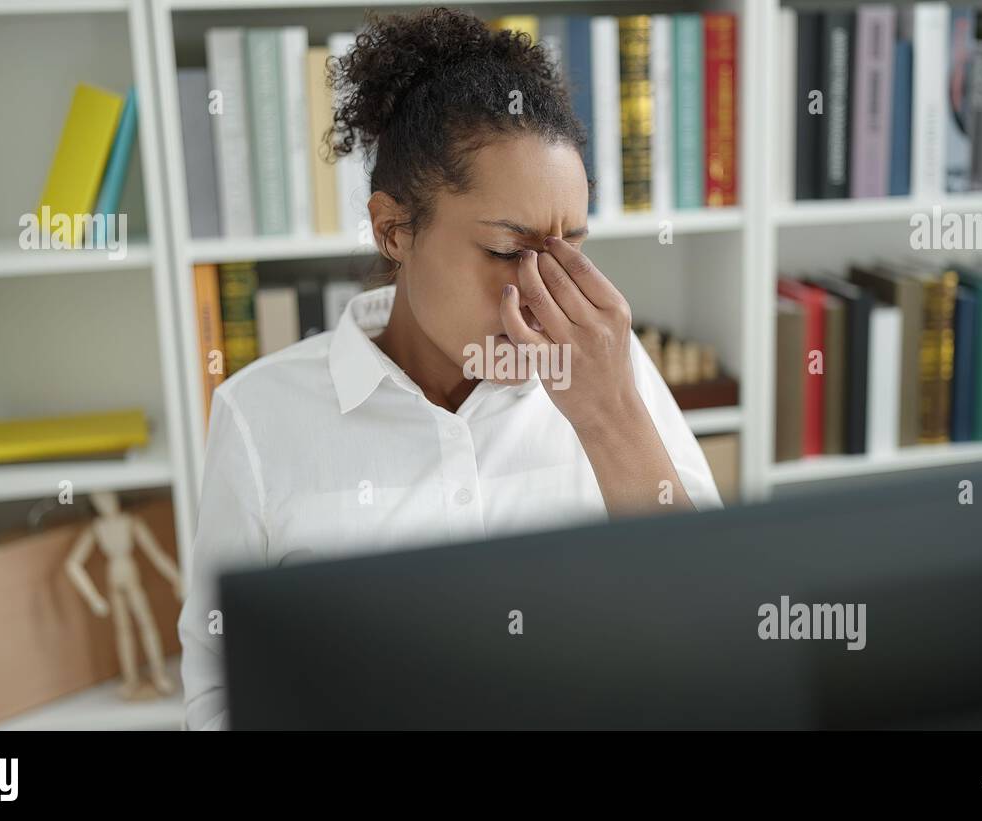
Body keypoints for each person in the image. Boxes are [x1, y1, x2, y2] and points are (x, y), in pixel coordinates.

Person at [179, 7, 722, 730]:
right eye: (506, 251)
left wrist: (608, 415)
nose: (543, 294)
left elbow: (719, 638)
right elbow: (218, 698)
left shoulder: (611, 372)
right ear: (394, 228)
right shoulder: (259, 417)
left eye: (572, 250)